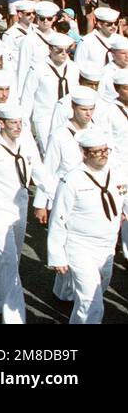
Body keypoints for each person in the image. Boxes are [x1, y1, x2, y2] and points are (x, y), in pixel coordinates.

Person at [0, 102, 53, 323]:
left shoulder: (25, 144)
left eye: (20, 123)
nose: (18, 127)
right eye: (13, 123)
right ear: (0, 123)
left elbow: (40, 172)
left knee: (10, 261)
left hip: (20, 207)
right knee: (7, 257)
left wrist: (57, 196)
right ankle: (15, 318)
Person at [46, 126, 123, 324]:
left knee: (98, 291)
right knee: (91, 302)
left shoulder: (115, 174)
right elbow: (58, 218)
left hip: (107, 247)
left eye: (105, 151)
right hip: (80, 247)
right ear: (84, 153)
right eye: (97, 152)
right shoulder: (72, 180)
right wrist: (57, 255)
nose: (103, 156)